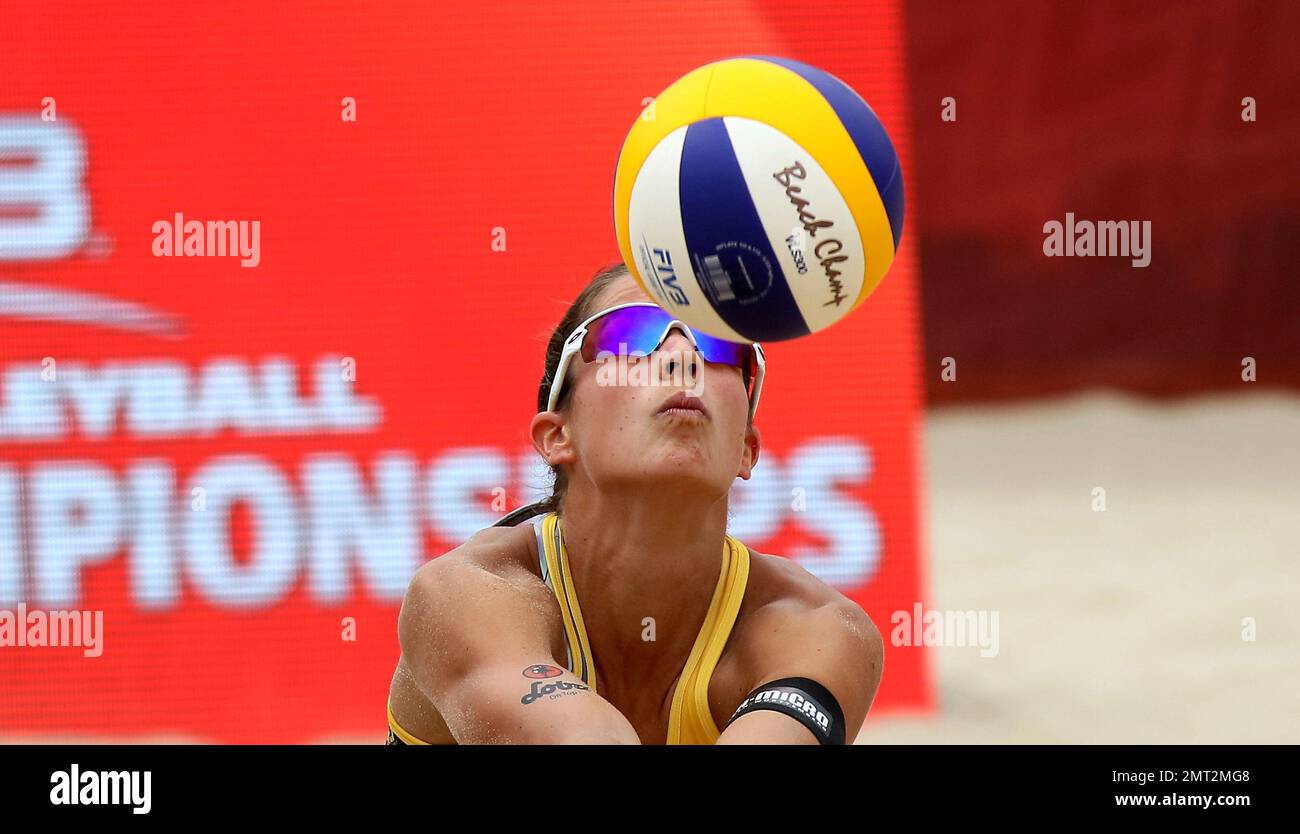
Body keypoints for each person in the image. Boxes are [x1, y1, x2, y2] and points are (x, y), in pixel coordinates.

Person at [386, 263, 883, 744]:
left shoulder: (820, 629)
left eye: (717, 341)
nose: (684, 359)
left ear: (746, 448)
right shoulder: (465, 595)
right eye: (629, 335)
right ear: (558, 435)